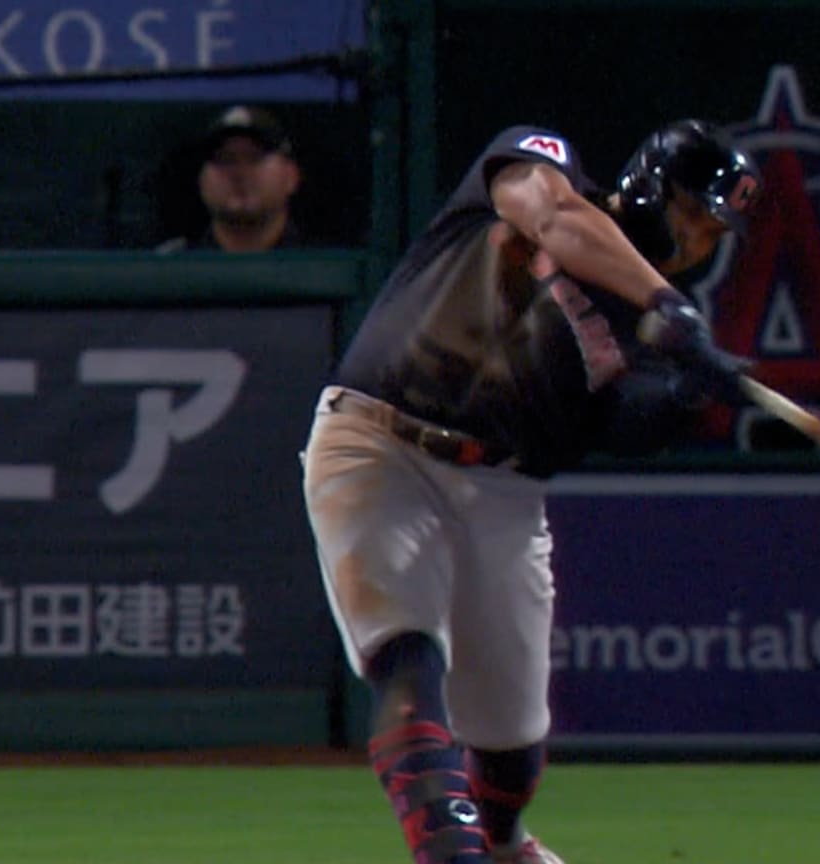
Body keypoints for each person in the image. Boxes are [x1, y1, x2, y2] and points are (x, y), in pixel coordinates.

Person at [300, 119, 760, 864]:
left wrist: (686, 394)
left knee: (511, 741)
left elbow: (616, 421)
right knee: (405, 653)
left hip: (504, 492)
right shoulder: (540, 166)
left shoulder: (632, 326)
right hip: (380, 440)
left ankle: (506, 845)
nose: (700, 240)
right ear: (650, 185)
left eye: (715, 231)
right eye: (693, 213)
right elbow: (552, 216)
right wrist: (671, 309)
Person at [157, 105, 303, 252]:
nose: (239, 173)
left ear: (291, 175)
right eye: (224, 159)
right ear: (201, 180)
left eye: (255, 158)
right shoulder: (168, 268)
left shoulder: (322, 267)